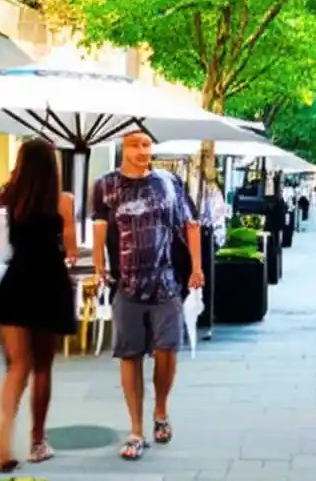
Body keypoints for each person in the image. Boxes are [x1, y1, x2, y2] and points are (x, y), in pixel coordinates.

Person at [92, 131, 203, 461]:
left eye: (146, 145)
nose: (142, 151)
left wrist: (197, 267)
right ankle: (136, 429)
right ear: (122, 149)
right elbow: (99, 227)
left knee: (167, 349)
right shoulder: (105, 185)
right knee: (130, 355)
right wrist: (99, 265)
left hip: (166, 283)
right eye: (135, 145)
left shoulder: (168, 182)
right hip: (126, 285)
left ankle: (161, 409)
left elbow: (191, 224)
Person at [0, 139, 78, 473]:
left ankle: (3, 445)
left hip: (17, 282)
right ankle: (38, 441)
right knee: (42, 367)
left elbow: (1, 242)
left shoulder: (9, 196)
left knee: (16, 367)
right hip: (49, 284)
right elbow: (72, 250)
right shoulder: (63, 202)